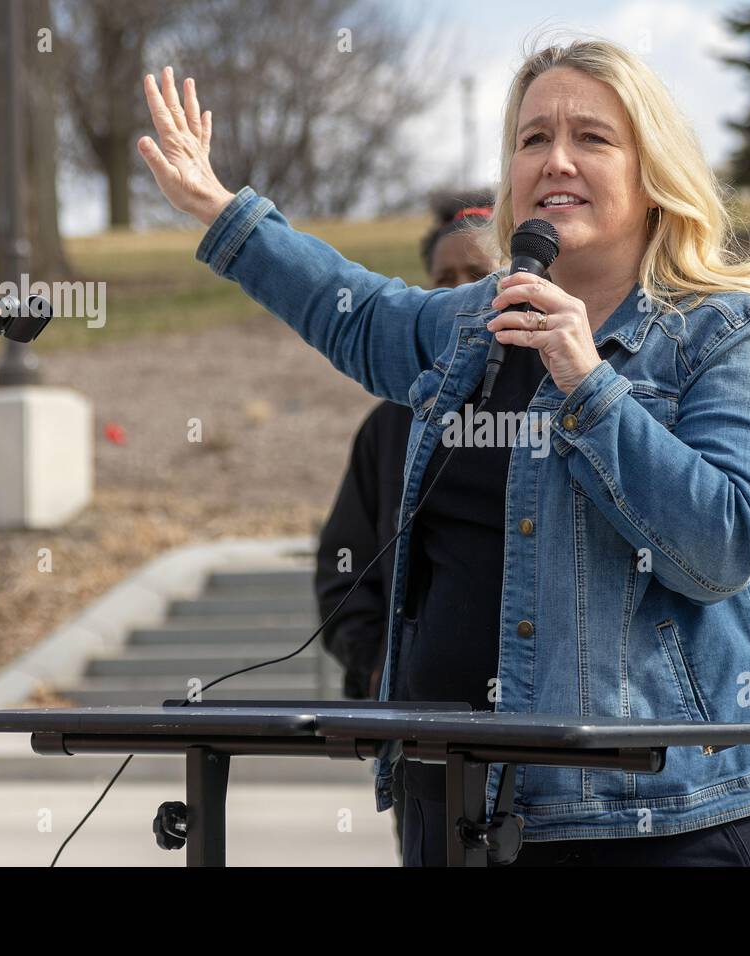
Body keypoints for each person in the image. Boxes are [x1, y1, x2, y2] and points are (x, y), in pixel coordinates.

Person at [138, 36, 750, 867]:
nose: (555, 160)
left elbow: (726, 549)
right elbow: (355, 315)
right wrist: (224, 213)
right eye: (533, 138)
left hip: (666, 812)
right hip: (464, 796)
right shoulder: (479, 319)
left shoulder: (723, 332)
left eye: (593, 138)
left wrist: (590, 385)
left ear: (654, 174)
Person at [314, 190, 497, 856]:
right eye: (444, 281)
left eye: (478, 277)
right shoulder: (391, 425)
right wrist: (377, 671)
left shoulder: (559, 400)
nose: (460, 295)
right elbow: (343, 574)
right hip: (423, 747)